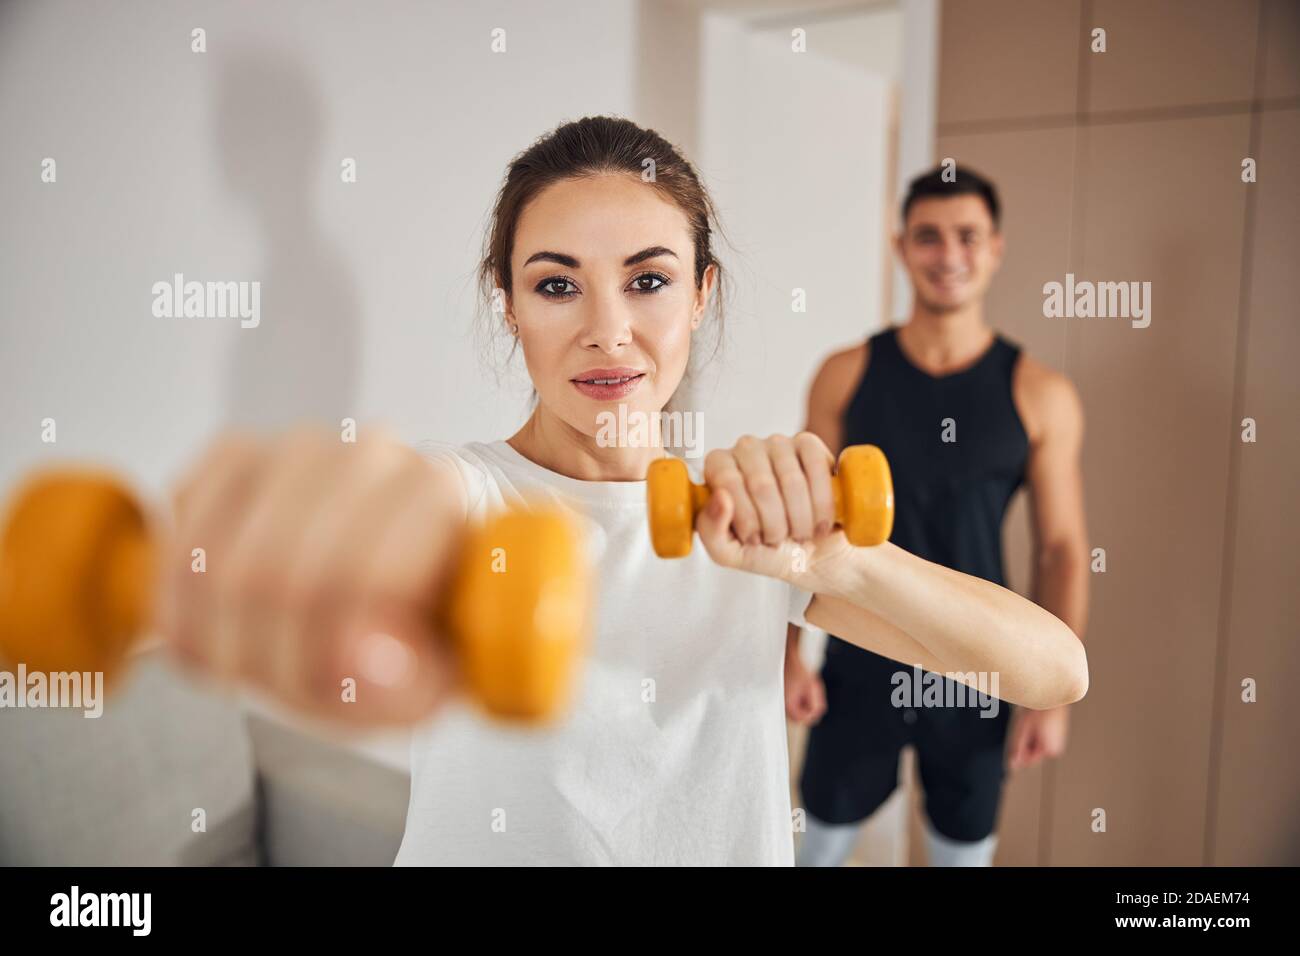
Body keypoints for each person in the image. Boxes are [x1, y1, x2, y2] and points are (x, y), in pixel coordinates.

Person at [160, 120, 1087, 866]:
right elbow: (380, 525)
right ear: (509, 304)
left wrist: (838, 561)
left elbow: (1053, 671)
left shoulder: (748, 522)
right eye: (557, 284)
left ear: (700, 296)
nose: (609, 333)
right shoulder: (463, 496)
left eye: (648, 280)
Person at [787, 166, 1090, 867]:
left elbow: (1064, 551)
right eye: (928, 237)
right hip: (858, 656)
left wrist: (1052, 696)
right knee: (815, 855)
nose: (947, 255)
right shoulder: (845, 373)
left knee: (961, 856)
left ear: (995, 248)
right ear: (901, 248)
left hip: (981, 665)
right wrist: (786, 656)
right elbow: (798, 529)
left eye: (966, 236)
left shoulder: (1040, 394)